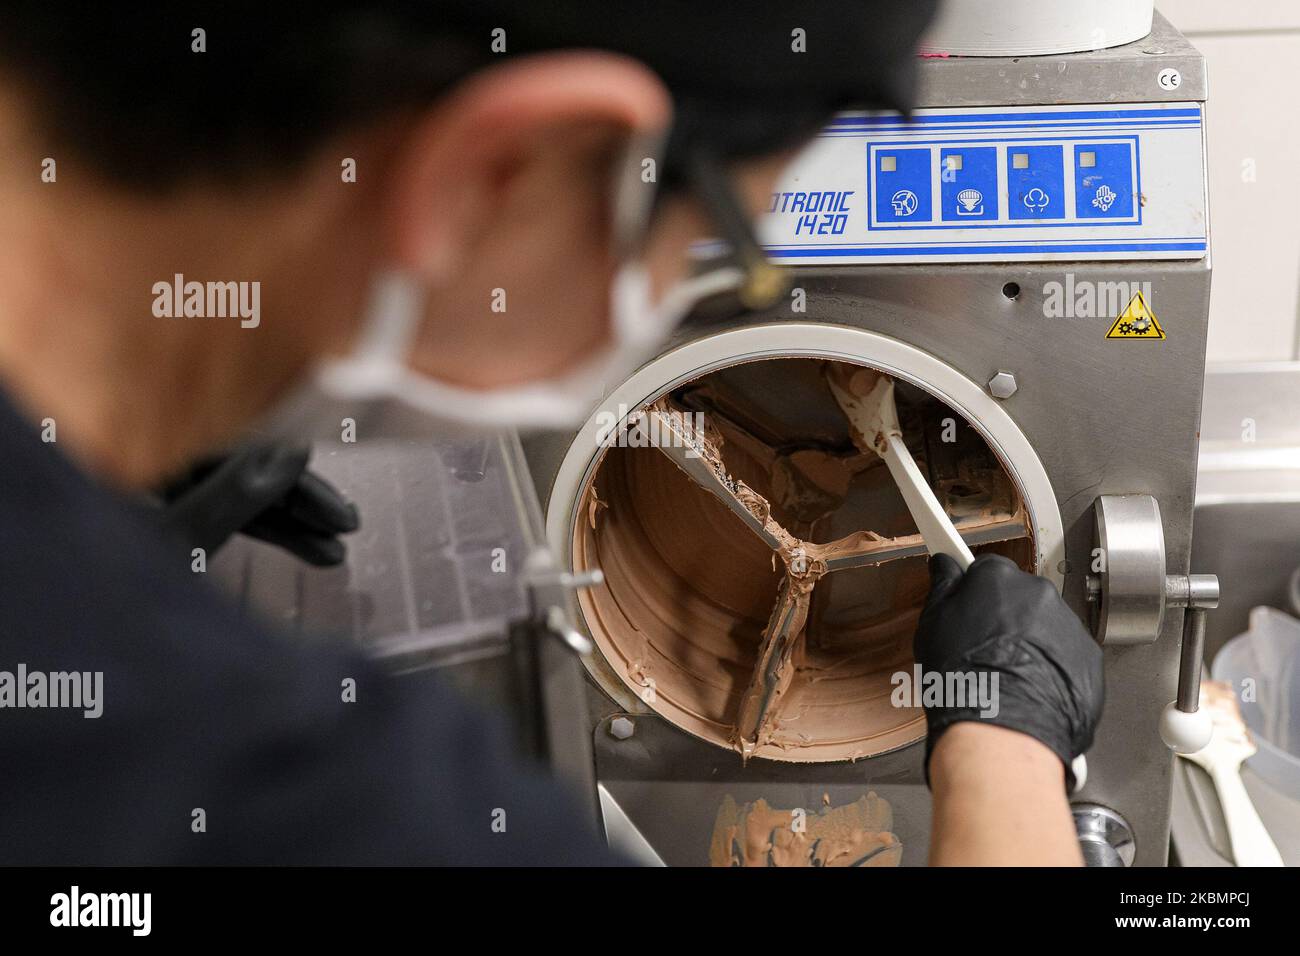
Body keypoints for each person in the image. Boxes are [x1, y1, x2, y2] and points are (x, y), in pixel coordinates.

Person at [0, 2, 1101, 866]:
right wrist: (1003, 740)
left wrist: (112, 486)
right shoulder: (299, 806)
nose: (680, 296)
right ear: (504, 169)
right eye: (717, 251)